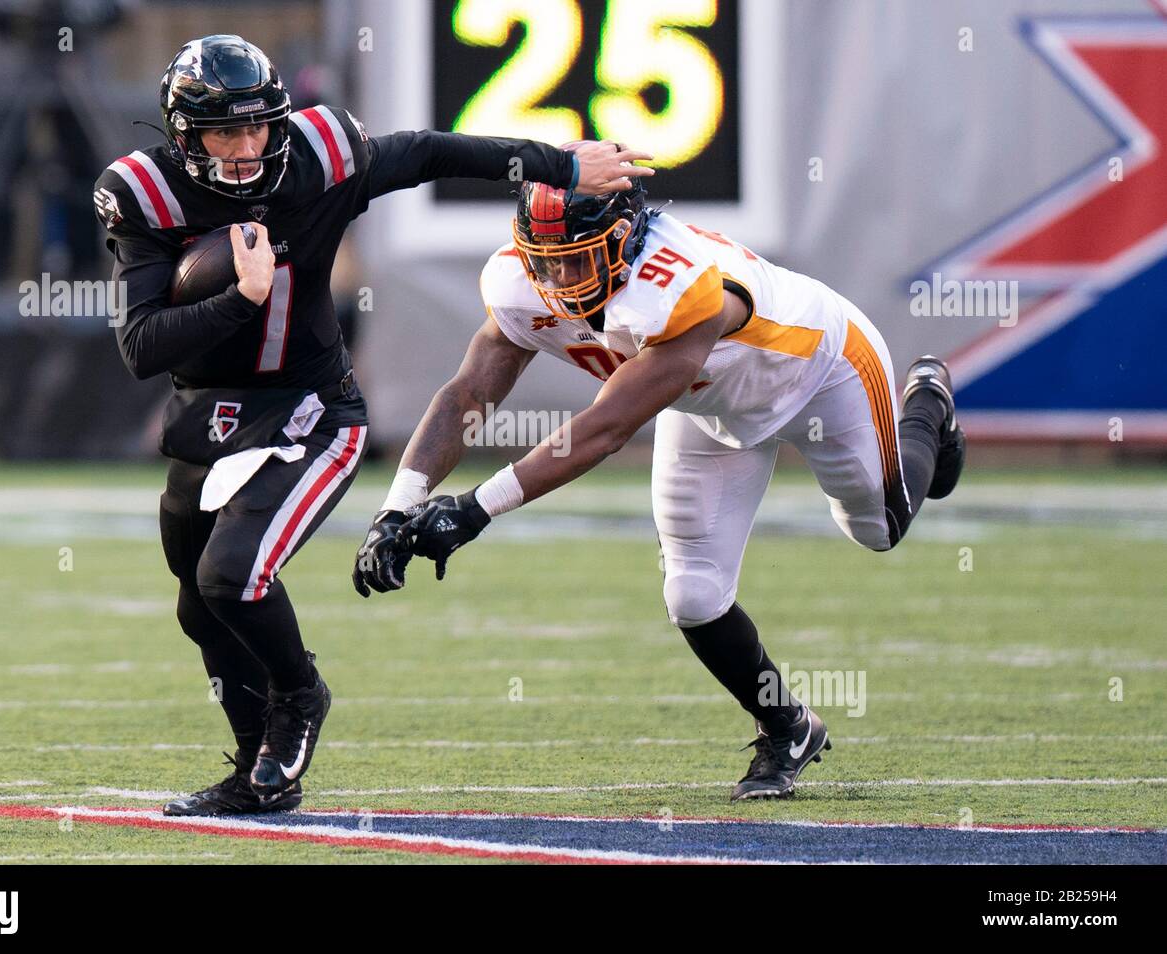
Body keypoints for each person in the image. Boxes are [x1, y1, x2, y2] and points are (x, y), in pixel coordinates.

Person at [94, 35, 654, 816]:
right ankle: (258, 769)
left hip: (313, 409)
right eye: (225, 131)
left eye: (259, 126)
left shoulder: (320, 154)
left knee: (234, 574)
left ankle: (301, 696)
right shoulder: (145, 193)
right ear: (183, 135)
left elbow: (429, 152)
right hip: (207, 410)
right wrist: (238, 300)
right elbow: (141, 347)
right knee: (200, 604)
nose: (248, 146)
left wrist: (557, 165)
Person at [352, 168, 966, 801]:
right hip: (705, 405)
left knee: (880, 527)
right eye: (547, 262)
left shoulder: (678, 286)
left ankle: (927, 400)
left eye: (577, 260)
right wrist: (399, 506)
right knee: (694, 594)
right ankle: (788, 726)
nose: (561, 280)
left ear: (625, 239)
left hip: (819, 373)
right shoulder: (519, 281)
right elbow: (470, 392)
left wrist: (476, 509)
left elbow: (605, 429)